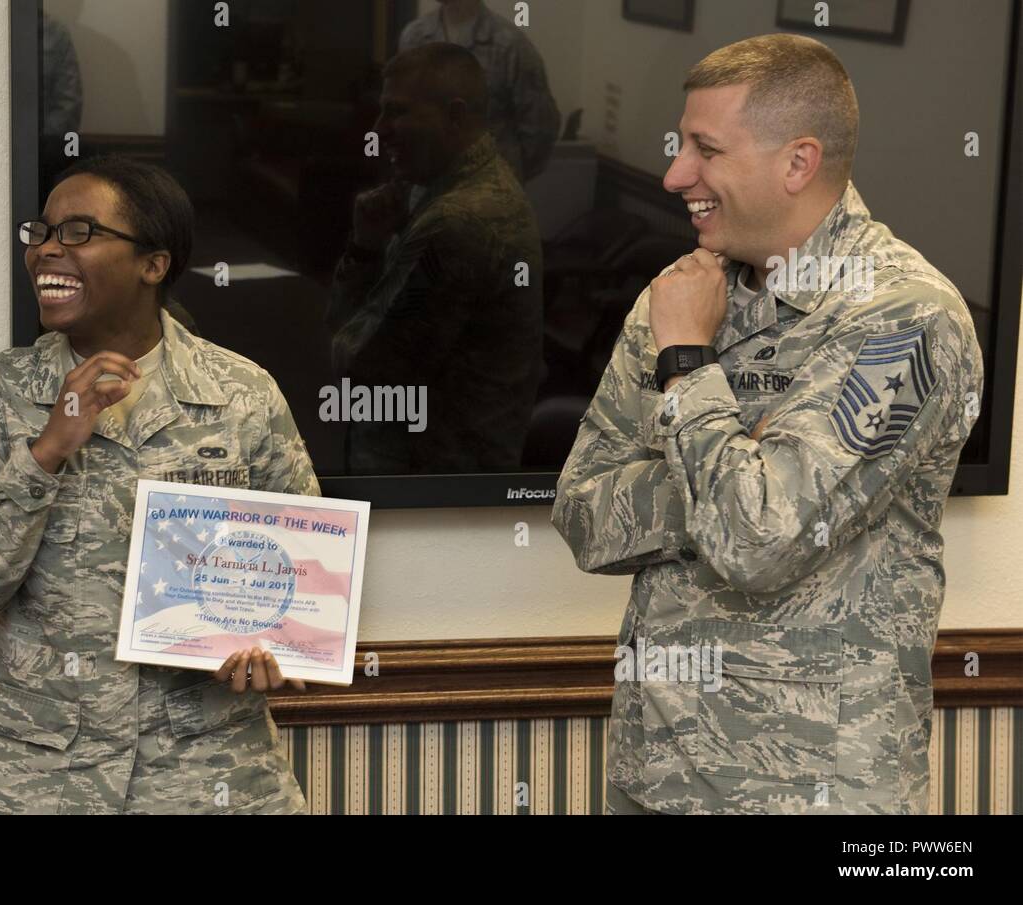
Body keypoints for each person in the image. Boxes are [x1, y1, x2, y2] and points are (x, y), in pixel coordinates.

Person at [552, 34, 984, 814]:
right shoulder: (680, 292)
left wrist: (688, 367)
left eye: (706, 149)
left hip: (811, 791)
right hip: (653, 773)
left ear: (798, 162)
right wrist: (732, 476)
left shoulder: (905, 316)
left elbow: (760, 540)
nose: (675, 175)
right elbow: (582, 513)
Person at [0, 155, 319, 814]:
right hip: (33, 779)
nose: (46, 250)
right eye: (42, 232)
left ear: (154, 264)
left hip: (205, 775)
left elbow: (303, 584)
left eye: (79, 232)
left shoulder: (243, 394)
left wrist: (275, 650)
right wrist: (44, 454)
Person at [328, 42, 543, 473]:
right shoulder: (464, 186)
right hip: (444, 466)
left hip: (430, 479)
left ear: (454, 116)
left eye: (397, 112)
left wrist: (363, 252)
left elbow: (359, 364)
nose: (380, 129)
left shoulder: (457, 220)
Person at [399, 0, 560, 183]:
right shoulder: (414, 37)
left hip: (492, 186)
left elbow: (540, 128)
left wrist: (508, 175)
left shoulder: (510, 44)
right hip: (429, 185)